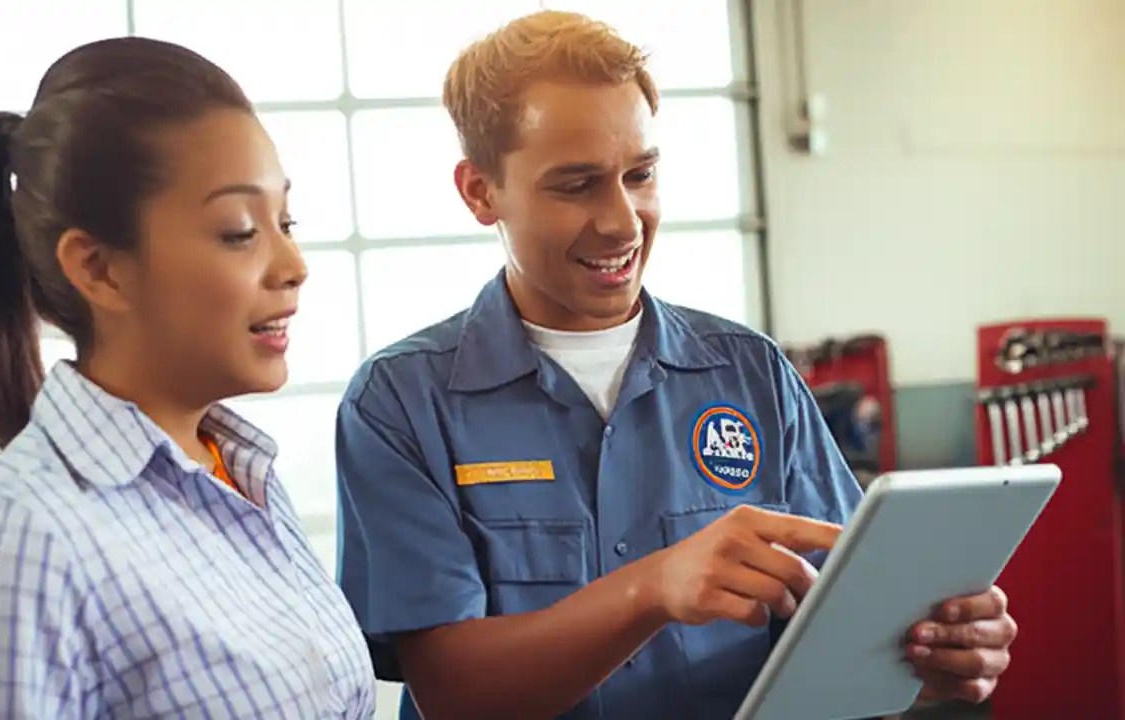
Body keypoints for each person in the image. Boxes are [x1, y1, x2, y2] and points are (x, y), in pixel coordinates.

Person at [334, 10, 1016, 720]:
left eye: (641, 174)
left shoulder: (752, 376)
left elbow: (843, 629)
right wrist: (652, 588)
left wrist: (934, 651)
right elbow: (454, 691)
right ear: (480, 191)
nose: (624, 221)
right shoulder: (401, 405)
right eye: (577, 185)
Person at [0, 37, 374, 718]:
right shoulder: (27, 539)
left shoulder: (235, 473)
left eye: (286, 220)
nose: (293, 263)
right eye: (241, 231)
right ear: (98, 268)